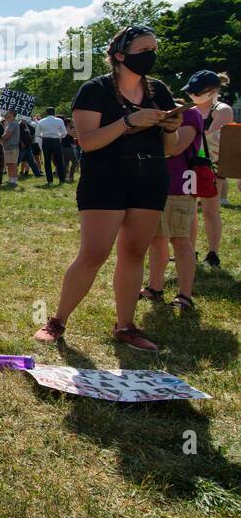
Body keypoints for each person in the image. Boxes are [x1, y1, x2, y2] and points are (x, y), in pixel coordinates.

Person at [33, 24, 186, 352]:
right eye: (144, 50)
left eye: (153, 49)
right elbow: (88, 142)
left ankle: (126, 326)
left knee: (133, 253)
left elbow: (170, 148)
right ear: (120, 55)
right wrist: (130, 121)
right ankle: (57, 320)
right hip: (105, 179)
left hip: (150, 179)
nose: (152, 56)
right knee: (94, 253)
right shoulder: (95, 90)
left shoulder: (159, 90)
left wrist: (170, 128)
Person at [142, 84, 205, 312]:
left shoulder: (189, 114)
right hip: (154, 184)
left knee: (180, 239)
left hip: (179, 186)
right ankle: (154, 287)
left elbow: (175, 148)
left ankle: (185, 294)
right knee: (156, 239)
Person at [185, 70, 232, 269]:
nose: (193, 95)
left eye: (198, 91)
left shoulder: (222, 110)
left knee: (210, 210)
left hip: (211, 166)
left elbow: (212, 139)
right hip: (188, 164)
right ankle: (189, 250)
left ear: (212, 91)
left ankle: (213, 253)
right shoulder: (189, 109)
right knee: (189, 210)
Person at [36, 106, 68, 184]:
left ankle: (50, 180)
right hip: (56, 141)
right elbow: (64, 133)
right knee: (59, 160)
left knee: (47, 161)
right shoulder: (59, 120)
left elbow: (37, 133)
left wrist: (44, 136)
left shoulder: (42, 121)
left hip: (46, 141)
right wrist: (60, 136)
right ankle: (62, 179)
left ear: (46, 113)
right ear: (54, 113)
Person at [1, 110, 21, 186]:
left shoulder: (12, 124)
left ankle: (14, 179)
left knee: (12, 164)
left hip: (12, 147)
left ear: (11, 114)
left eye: (7, 113)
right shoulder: (11, 123)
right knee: (10, 163)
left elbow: (7, 135)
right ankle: (11, 179)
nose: (5, 114)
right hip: (10, 147)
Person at [60, 117, 80, 183]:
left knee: (66, 163)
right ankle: (71, 177)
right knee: (75, 162)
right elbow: (75, 136)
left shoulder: (63, 129)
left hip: (63, 147)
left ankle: (65, 177)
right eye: (71, 122)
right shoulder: (67, 129)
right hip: (68, 148)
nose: (72, 123)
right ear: (68, 123)